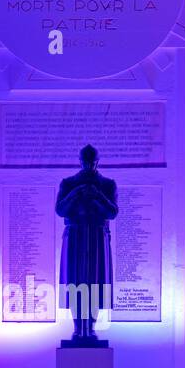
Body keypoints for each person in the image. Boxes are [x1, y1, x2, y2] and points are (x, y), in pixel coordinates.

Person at [55, 143, 118, 345]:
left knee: (95, 281)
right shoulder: (69, 183)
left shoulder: (107, 184)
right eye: (85, 161)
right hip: (75, 235)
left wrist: (97, 194)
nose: (89, 165)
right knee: (76, 281)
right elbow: (60, 210)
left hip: (98, 236)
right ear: (80, 161)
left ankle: (90, 328)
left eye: (92, 161)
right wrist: (77, 193)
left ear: (97, 162)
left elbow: (113, 213)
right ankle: (77, 328)